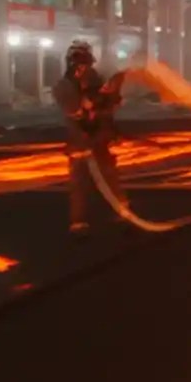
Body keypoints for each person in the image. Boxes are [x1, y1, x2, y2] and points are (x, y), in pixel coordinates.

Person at [52, 40, 130, 238]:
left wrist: (105, 110)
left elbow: (111, 107)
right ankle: (79, 221)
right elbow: (74, 111)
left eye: (85, 64)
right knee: (80, 182)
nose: (82, 69)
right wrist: (89, 110)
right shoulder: (65, 86)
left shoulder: (98, 82)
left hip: (97, 139)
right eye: (78, 64)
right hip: (81, 140)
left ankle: (121, 212)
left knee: (108, 177)